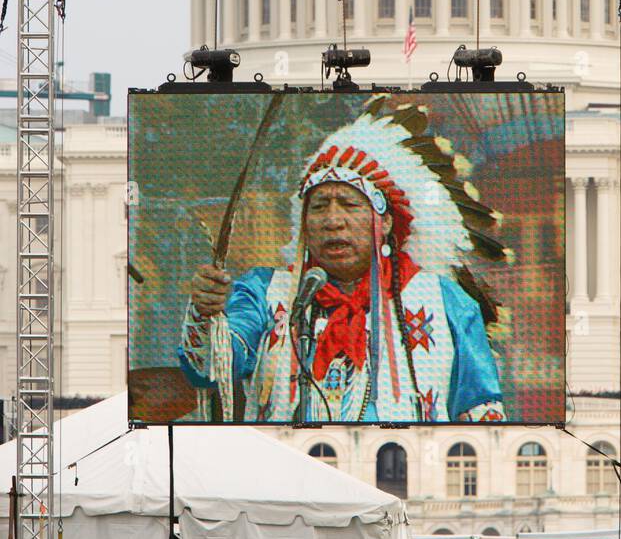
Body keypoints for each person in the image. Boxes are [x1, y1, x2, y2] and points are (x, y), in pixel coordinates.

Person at [178, 99, 508, 424]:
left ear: (387, 222)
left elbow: (481, 413)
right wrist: (206, 314)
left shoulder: (443, 301)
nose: (332, 220)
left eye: (349, 204)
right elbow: (211, 367)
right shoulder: (266, 293)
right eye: (319, 206)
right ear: (304, 223)